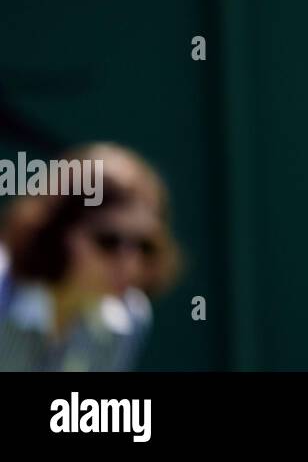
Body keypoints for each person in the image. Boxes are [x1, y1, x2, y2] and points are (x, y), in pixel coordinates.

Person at [0, 143, 180, 371]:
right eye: (109, 241)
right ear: (59, 230)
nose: (130, 264)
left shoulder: (131, 317)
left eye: (145, 246)